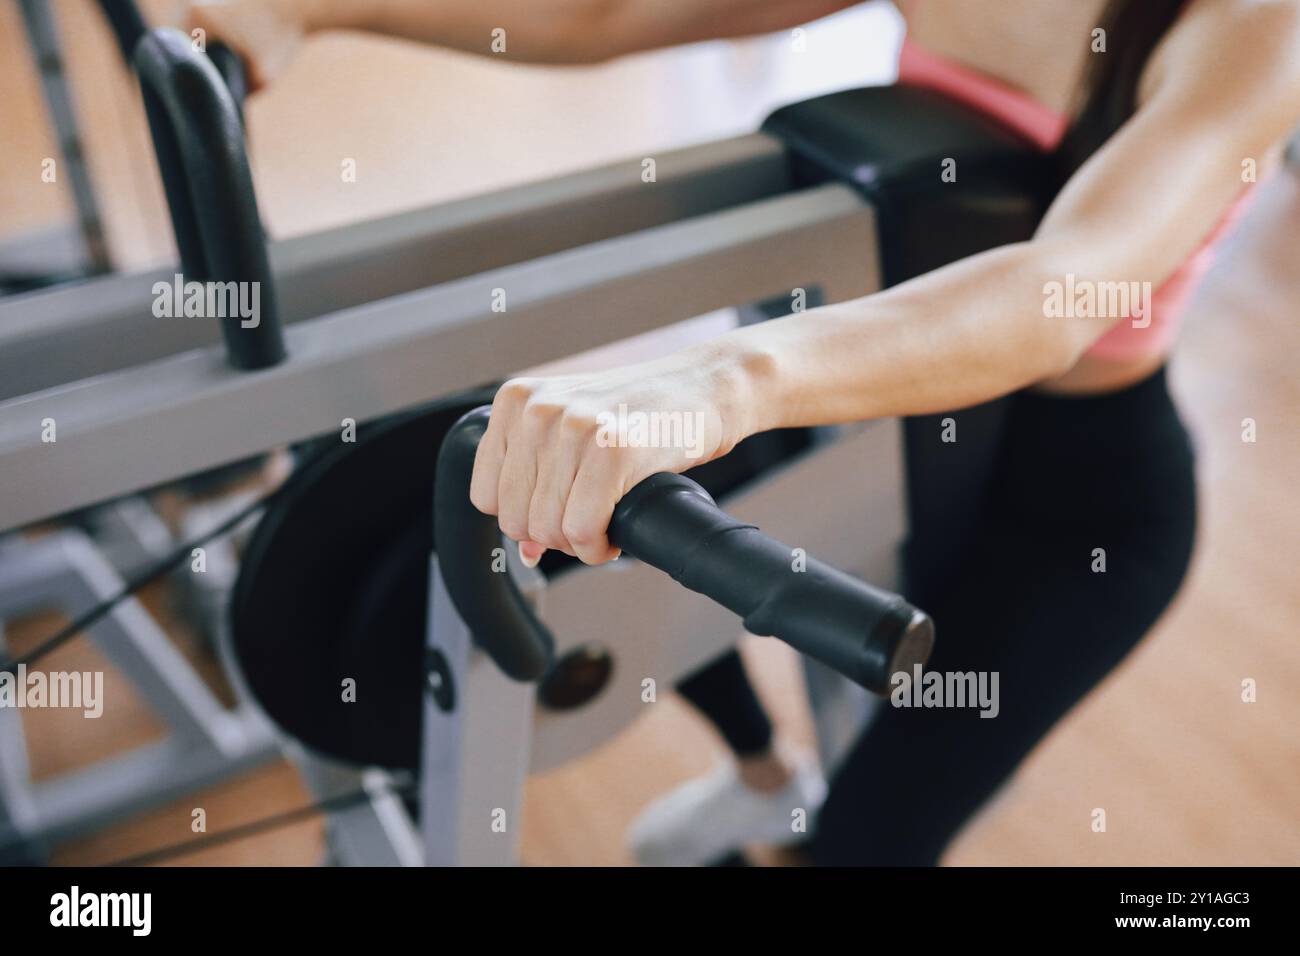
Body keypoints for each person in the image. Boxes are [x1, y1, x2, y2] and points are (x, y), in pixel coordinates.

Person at [192, 0, 1300, 865]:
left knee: (871, 844)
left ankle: (814, 815)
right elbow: (620, 15)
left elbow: (1062, 289)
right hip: (879, 400)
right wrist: (319, 9)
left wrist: (726, 376)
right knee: (593, 543)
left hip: (1074, 503)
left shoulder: (1251, 31)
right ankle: (766, 770)